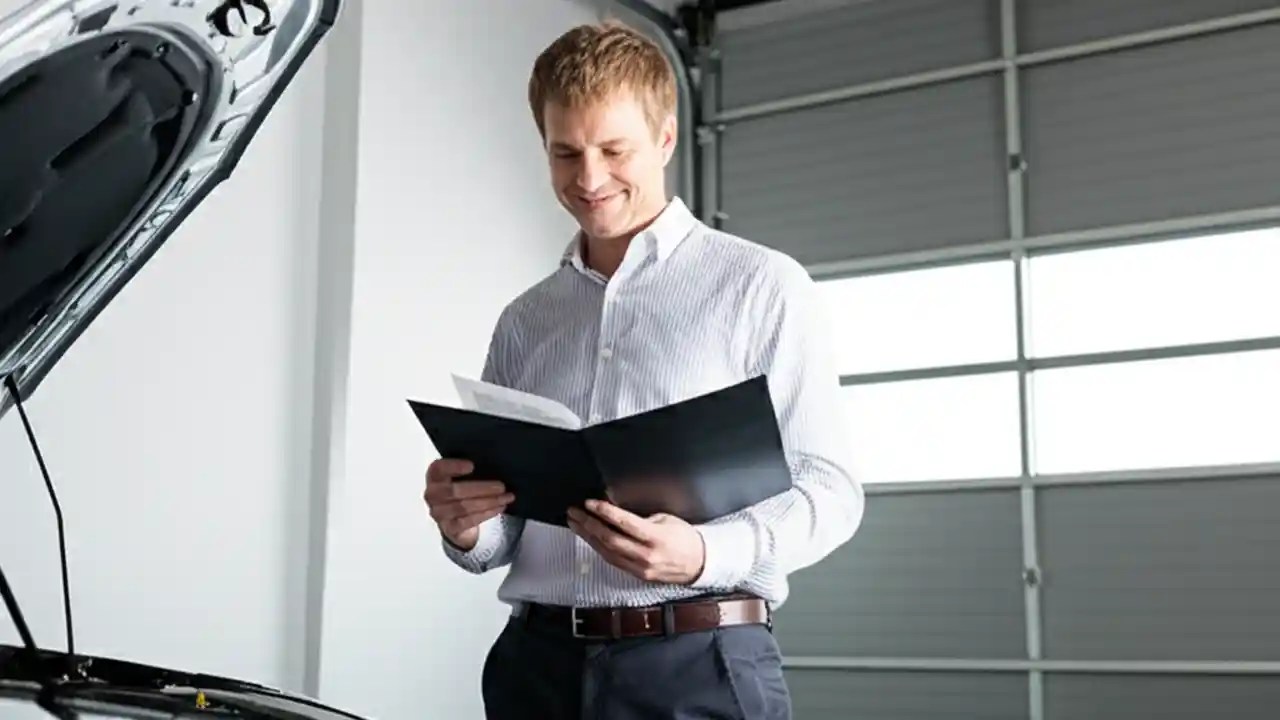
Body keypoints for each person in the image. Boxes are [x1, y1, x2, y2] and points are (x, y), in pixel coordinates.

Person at [422, 19, 864, 720]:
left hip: (702, 665)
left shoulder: (761, 285)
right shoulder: (524, 320)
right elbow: (504, 536)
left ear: (664, 139)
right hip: (534, 671)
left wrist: (702, 554)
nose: (588, 178)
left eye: (613, 149)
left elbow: (830, 491)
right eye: (564, 153)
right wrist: (465, 525)